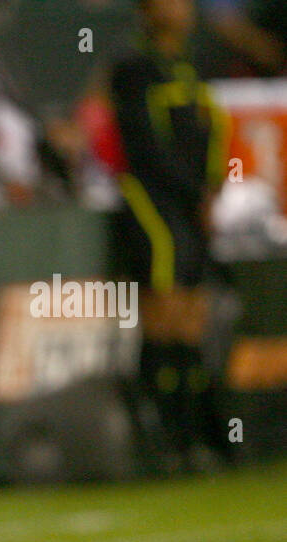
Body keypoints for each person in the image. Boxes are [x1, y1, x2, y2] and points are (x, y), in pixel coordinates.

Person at [111, 0, 232, 470]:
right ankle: (158, 439)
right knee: (165, 313)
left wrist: (211, 188)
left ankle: (197, 436)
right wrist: (193, 192)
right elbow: (145, 147)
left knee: (193, 319)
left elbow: (209, 133)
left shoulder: (189, 67)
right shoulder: (134, 68)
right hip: (154, 207)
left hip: (191, 208)